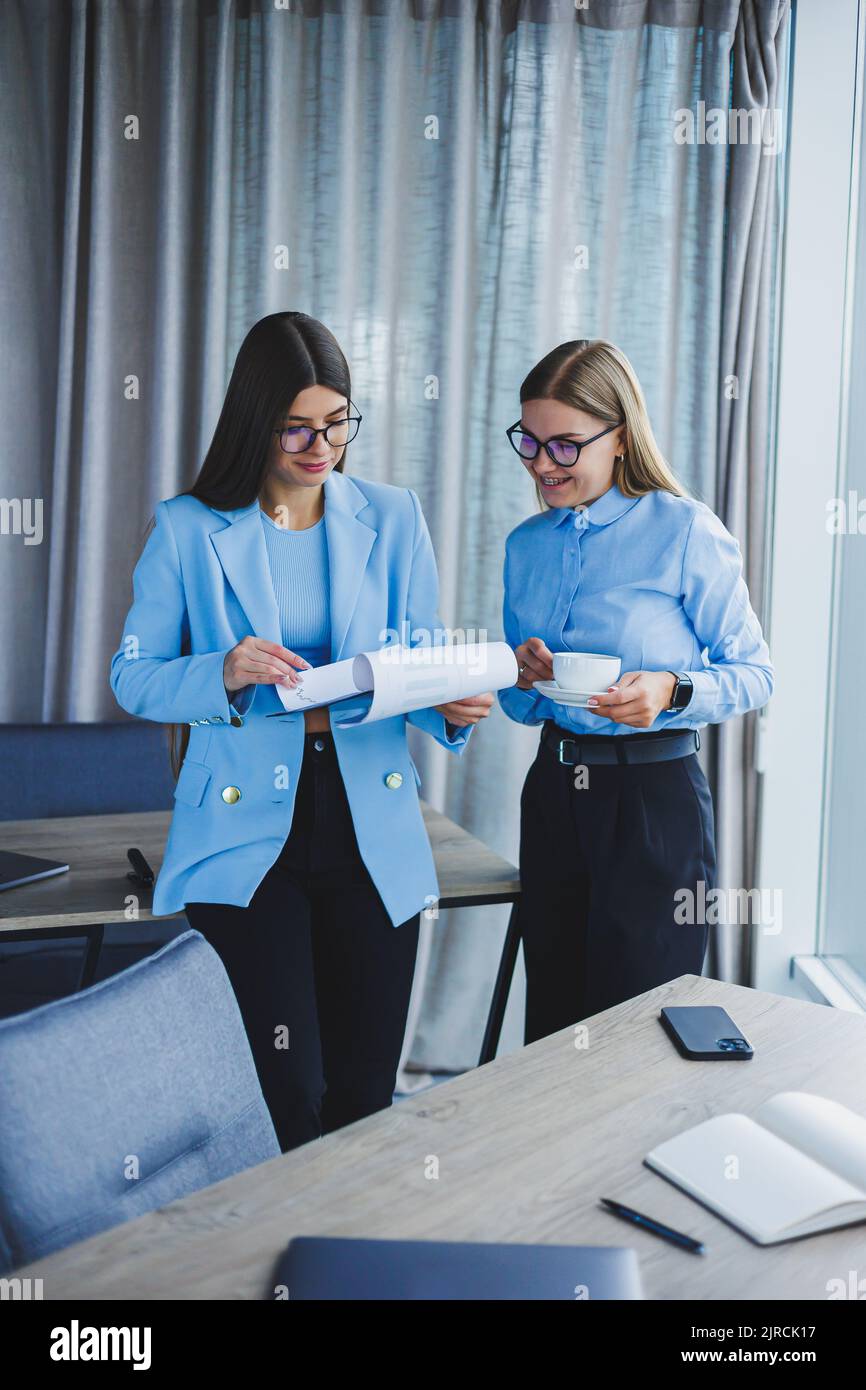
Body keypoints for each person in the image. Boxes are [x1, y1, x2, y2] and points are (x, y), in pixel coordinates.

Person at [110, 310, 493, 1150]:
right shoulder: (187, 527)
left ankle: (347, 1263)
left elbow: (415, 659)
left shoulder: (392, 517)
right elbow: (132, 675)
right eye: (296, 427)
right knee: (285, 1086)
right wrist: (222, 670)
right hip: (247, 833)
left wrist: (448, 702)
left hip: (370, 822)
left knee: (363, 1089)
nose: (322, 447)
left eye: (337, 423)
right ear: (256, 421)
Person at [498, 338, 773, 1042]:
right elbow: (521, 703)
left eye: (565, 446)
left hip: (654, 805)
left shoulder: (684, 530)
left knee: (640, 1033)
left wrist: (671, 692)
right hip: (555, 796)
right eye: (529, 442)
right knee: (556, 1029)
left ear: (618, 438)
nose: (540, 464)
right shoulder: (526, 545)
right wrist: (523, 676)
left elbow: (754, 672)